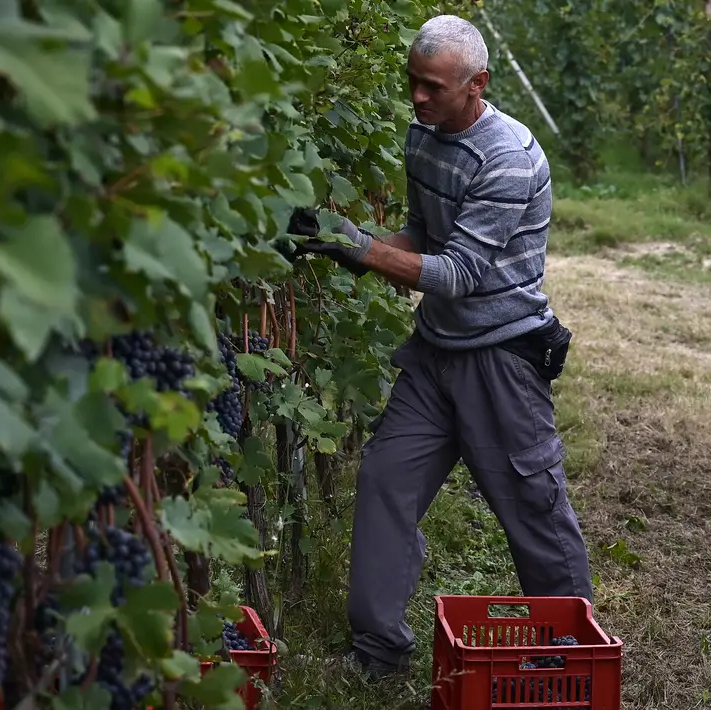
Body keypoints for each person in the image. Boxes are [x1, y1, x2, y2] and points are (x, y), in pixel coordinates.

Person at [284, 14, 593, 679]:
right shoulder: (422, 134)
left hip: (502, 359)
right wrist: (335, 237)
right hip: (434, 354)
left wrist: (358, 248)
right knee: (385, 481)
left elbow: (457, 274)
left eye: (433, 86)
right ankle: (378, 654)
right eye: (412, 82)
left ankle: (569, 657)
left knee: (532, 508)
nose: (418, 97)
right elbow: (420, 237)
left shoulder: (508, 157)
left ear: (477, 83)